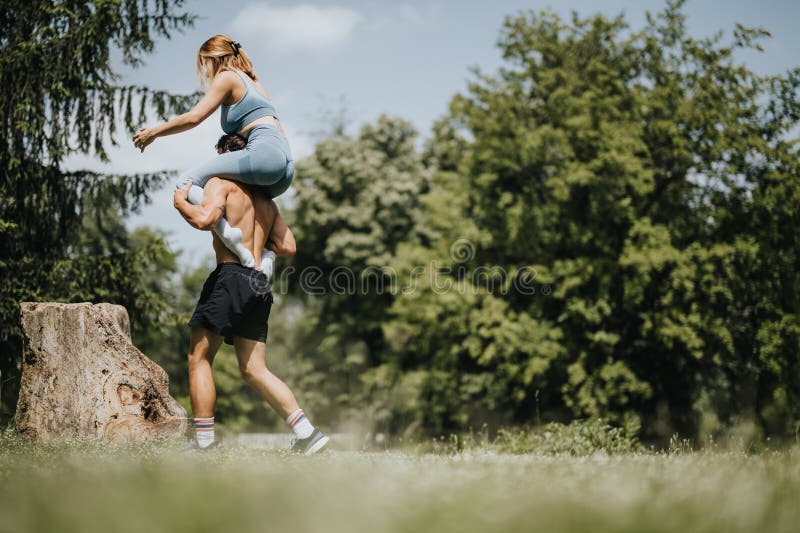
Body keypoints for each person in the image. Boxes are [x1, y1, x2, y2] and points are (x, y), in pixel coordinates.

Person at [172, 163, 329, 455]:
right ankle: (308, 433)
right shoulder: (266, 202)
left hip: (230, 276)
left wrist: (180, 202)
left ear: (227, 155)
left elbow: (206, 219)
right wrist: (262, 244)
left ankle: (204, 444)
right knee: (255, 369)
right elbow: (289, 247)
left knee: (199, 357)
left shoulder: (222, 184)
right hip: (259, 283)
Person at [133, 34, 293, 270]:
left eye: (204, 64)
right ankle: (268, 255)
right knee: (254, 206)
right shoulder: (255, 82)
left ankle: (232, 239)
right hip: (285, 167)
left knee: (185, 182)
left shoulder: (227, 77)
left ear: (213, 59)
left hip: (265, 154)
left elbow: (194, 117)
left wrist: (154, 132)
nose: (206, 72)